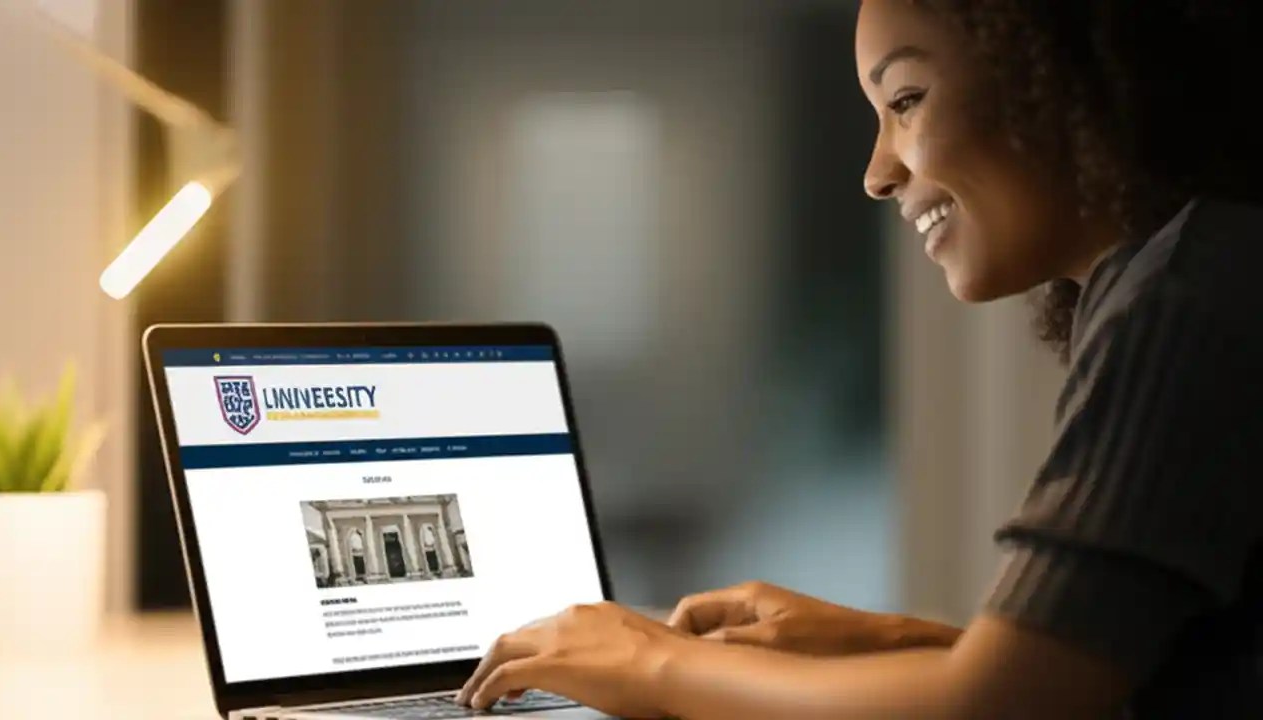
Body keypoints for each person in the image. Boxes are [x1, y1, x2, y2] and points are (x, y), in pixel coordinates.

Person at [455, 1, 1263, 717]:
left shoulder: (1184, 297)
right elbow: (1112, 681)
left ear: (1062, 74)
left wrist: (659, 665)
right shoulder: (1195, 265)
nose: (878, 174)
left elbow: (1004, 705)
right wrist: (874, 642)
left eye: (906, 100)